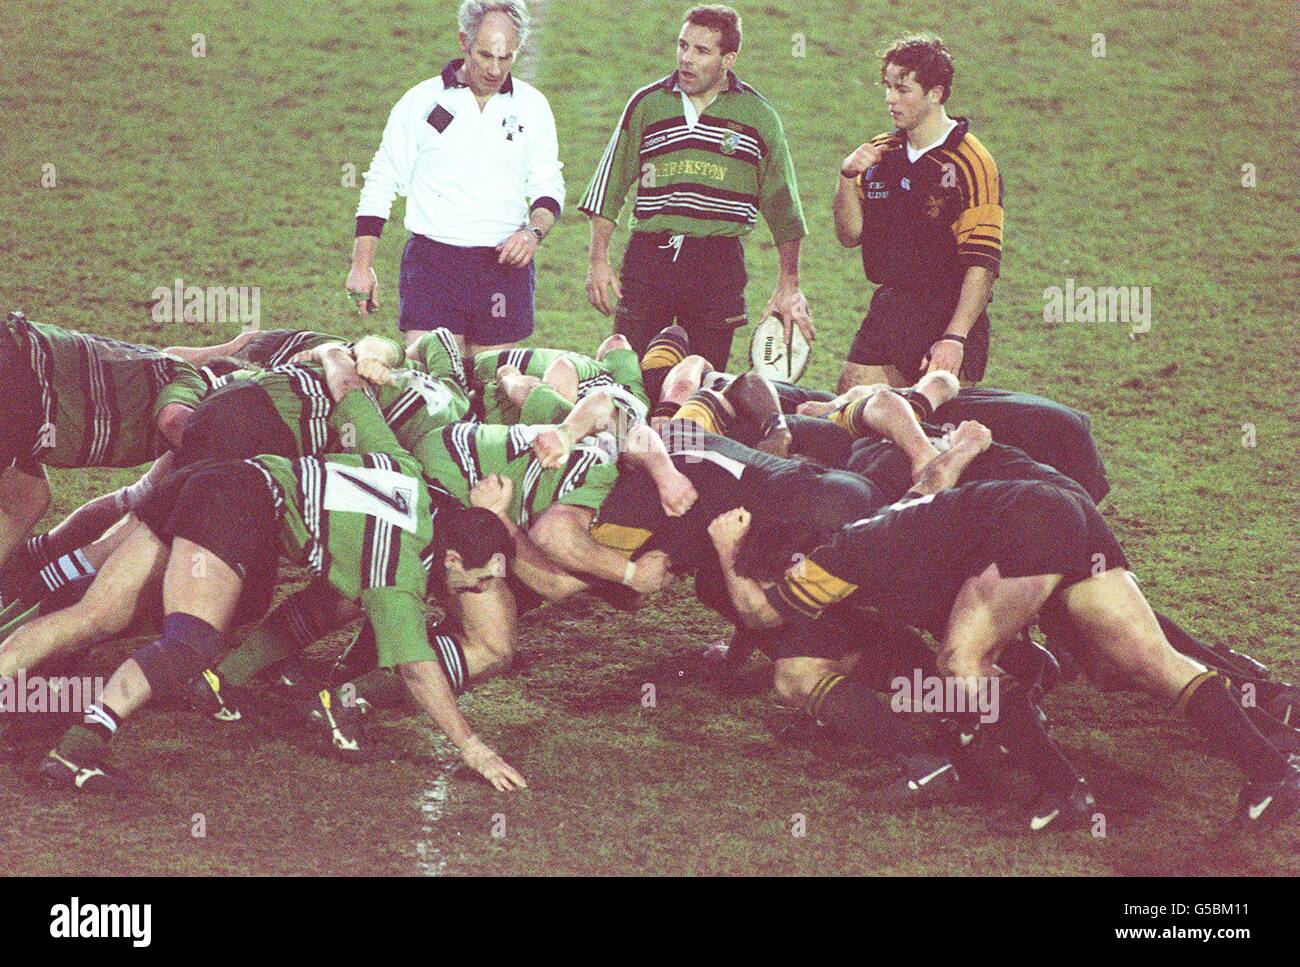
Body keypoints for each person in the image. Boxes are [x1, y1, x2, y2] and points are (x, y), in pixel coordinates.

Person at [580, 4, 811, 371]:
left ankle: (688, 428)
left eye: (701, 51)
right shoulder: (647, 104)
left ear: (728, 58)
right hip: (649, 259)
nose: (686, 59)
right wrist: (597, 260)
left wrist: (789, 283)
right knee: (630, 372)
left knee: (702, 377)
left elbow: (783, 208)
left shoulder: (759, 117)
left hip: (716, 264)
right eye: (682, 45)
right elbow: (609, 186)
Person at [348, 0, 564, 354]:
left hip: (502, 269)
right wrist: (362, 265)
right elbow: (381, 181)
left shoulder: (533, 106)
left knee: (494, 388)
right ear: (464, 41)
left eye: (506, 57)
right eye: (485, 55)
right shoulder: (420, 102)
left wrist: (532, 233)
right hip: (433, 266)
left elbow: (549, 186)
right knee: (434, 390)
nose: (495, 69)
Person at [832, 35, 1003, 392]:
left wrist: (955, 338)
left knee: (932, 433)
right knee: (852, 410)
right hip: (891, 308)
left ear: (935, 94)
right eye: (888, 88)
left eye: (903, 89)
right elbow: (849, 235)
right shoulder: (881, 153)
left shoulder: (973, 163)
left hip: (947, 313)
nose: (891, 99)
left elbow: (982, 263)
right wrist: (846, 178)